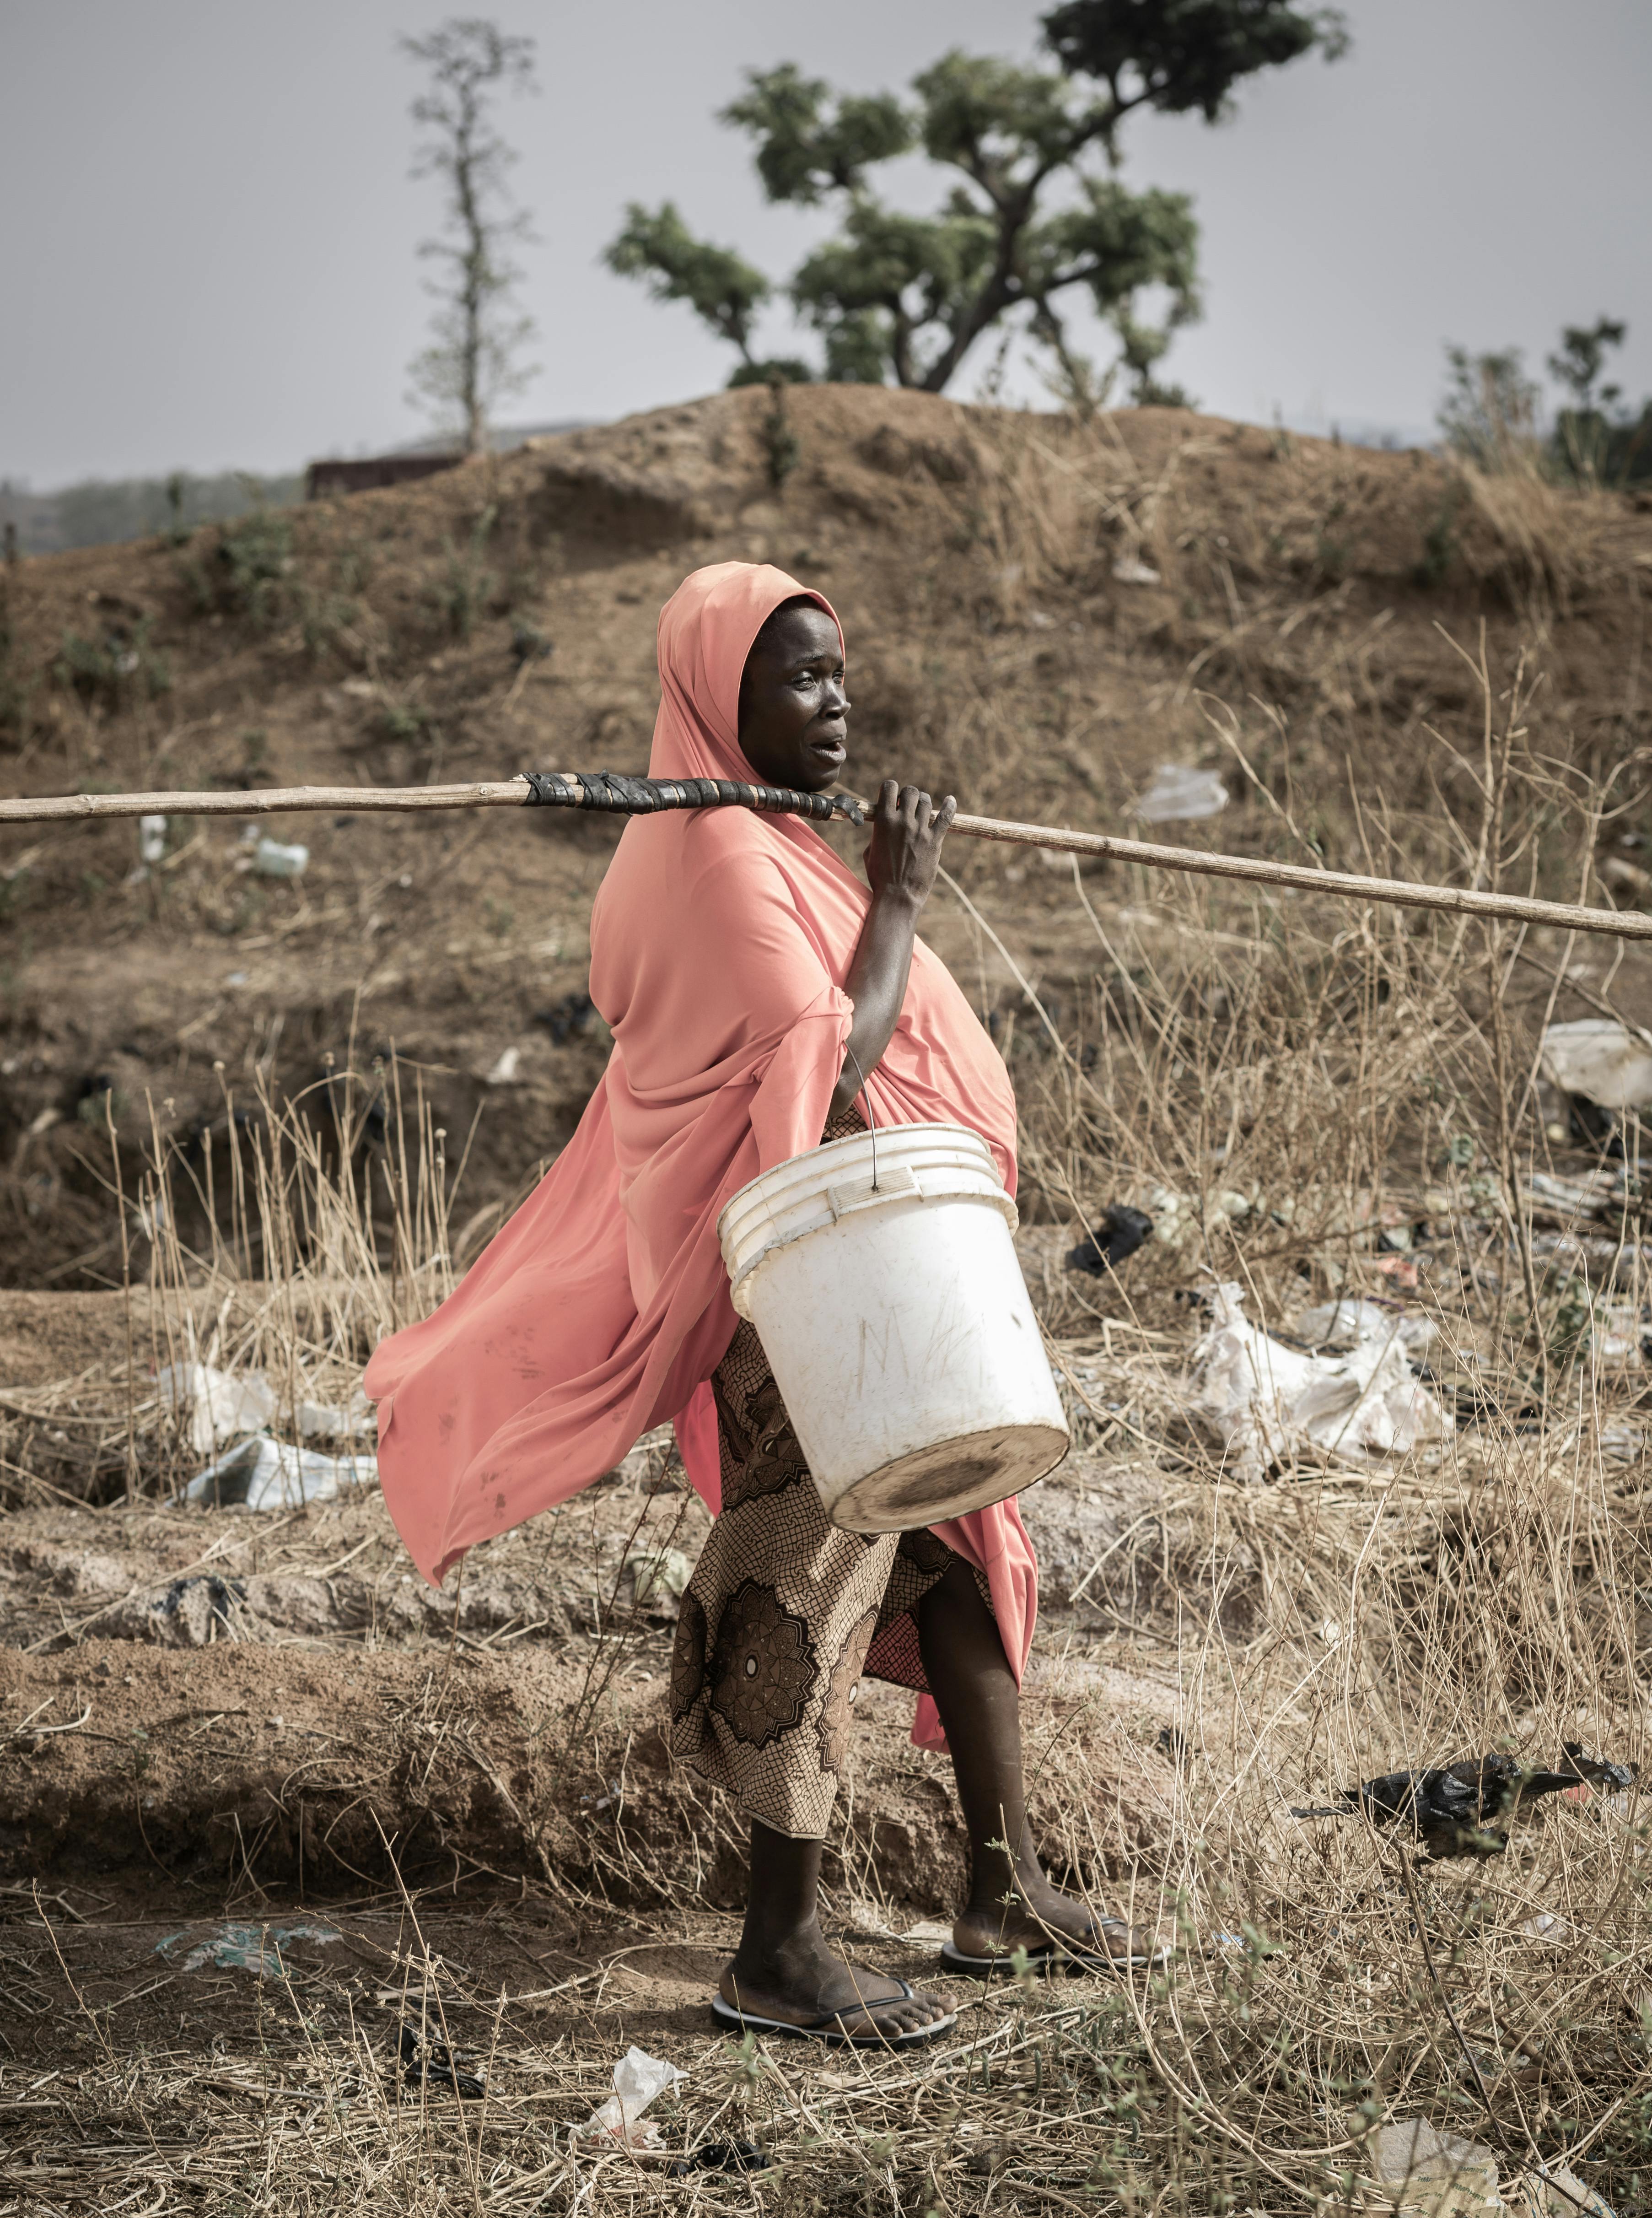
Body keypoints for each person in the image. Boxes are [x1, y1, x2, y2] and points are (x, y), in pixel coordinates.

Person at [366, 562, 1158, 2048]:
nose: (837, 702)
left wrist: (872, 881)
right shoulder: (721, 854)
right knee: (810, 1579)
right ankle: (776, 1951)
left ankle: (1005, 1890)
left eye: (840, 673)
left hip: (880, 1261)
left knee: (956, 1544)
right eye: (799, 679)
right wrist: (906, 894)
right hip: (809, 1293)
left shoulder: (767, 840)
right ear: (718, 702)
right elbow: (824, 1060)